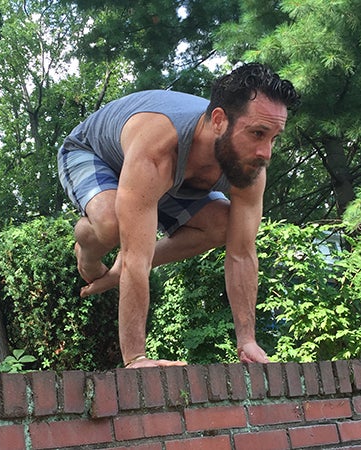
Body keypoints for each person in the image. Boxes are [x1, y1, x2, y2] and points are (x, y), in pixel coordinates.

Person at [57, 63, 300, 369]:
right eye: (257, 134)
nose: (266, 152)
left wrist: (247, 341)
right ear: (219, 121)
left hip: (169, 179)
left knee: (225, 225)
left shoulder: (250, 168)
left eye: (274, 137)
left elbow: (242, 254)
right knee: (111, 225)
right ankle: (87, 254)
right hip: (94, 152)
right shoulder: (159, 144)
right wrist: (135, 358)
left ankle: (114, 271)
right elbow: (136, 257)